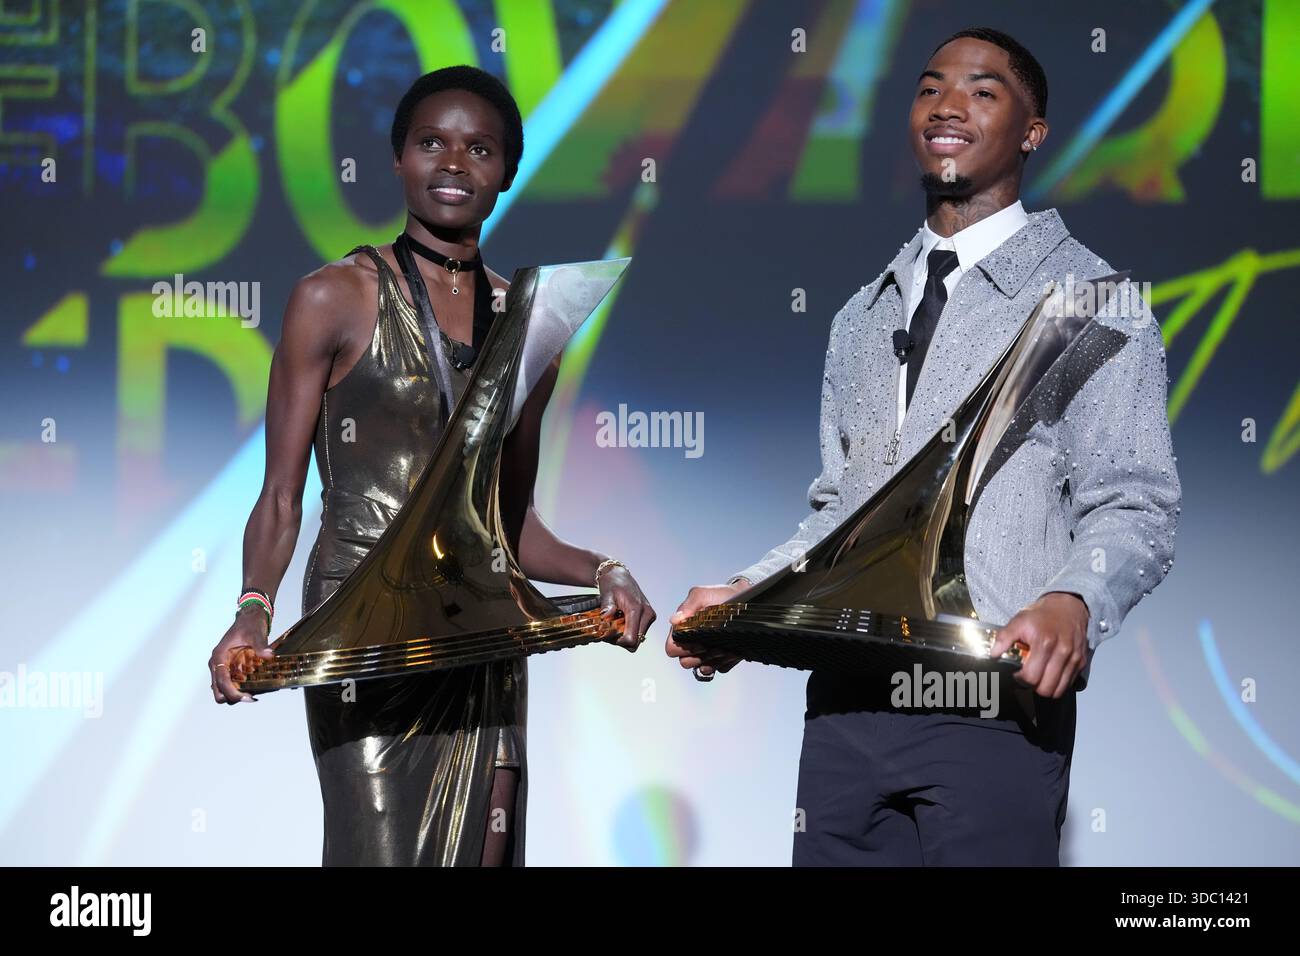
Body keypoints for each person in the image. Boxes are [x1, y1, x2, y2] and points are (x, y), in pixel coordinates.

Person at [667, 27, 1180, 865]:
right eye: (930, 87)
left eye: (984, 91)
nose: (948, 106)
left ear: (1033, 131)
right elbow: (840, 519)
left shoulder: (1095, 301)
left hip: (991, 699)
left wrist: (1074, 602)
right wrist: (744, 600)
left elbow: (1135, 501)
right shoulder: (858, 319)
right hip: (846, 704)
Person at [207, 66, 655, 867]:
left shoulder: (529, 328)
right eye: (431, 143)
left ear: (508, 172)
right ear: (398, 160)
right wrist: (252, 609)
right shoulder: (332, 297)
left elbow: (508, 529)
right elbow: (280, 496)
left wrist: (607, 570)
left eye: (479, 148)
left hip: (480, 632)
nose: (453, 163)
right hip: (365, 634)